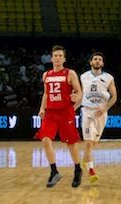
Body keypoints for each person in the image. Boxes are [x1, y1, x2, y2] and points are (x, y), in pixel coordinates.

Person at [35, 45, 83, 188]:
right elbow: (46, 94)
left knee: (71, 143)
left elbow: (80, 92)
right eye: (55, 55)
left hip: (65, 112)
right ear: (51, 58)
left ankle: (77, 169)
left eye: (60, 56)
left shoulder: (70, 73)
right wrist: (42, 108)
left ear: (64, 59)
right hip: (51, 112)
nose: (57, 58)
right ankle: (54, 171)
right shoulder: (46, 75)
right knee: (45, 139)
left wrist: (76, 97)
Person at [79, 51, 116, 184]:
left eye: (100, 59)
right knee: (88, 143)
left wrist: (105, 108)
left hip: (101, 113)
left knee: (94, 143)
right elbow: (80, 94)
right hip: (87, 111)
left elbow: (114, 97)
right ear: (91, 62)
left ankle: (86, 159)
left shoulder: (108, 78)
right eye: (95, 59)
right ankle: (91, 171)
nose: (97, 61)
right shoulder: (83, 77)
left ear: (103, 63)